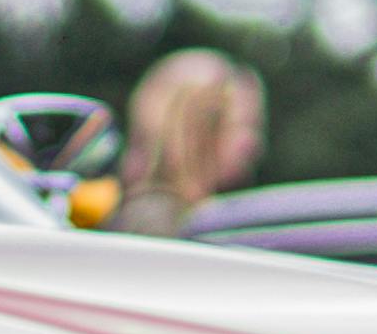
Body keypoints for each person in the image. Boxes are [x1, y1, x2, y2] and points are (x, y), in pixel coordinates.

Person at [106, 49, 265, 237]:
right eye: (240, 125)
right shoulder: (164, 224)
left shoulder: (152, 214)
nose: (252, 143)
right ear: (192, 133)